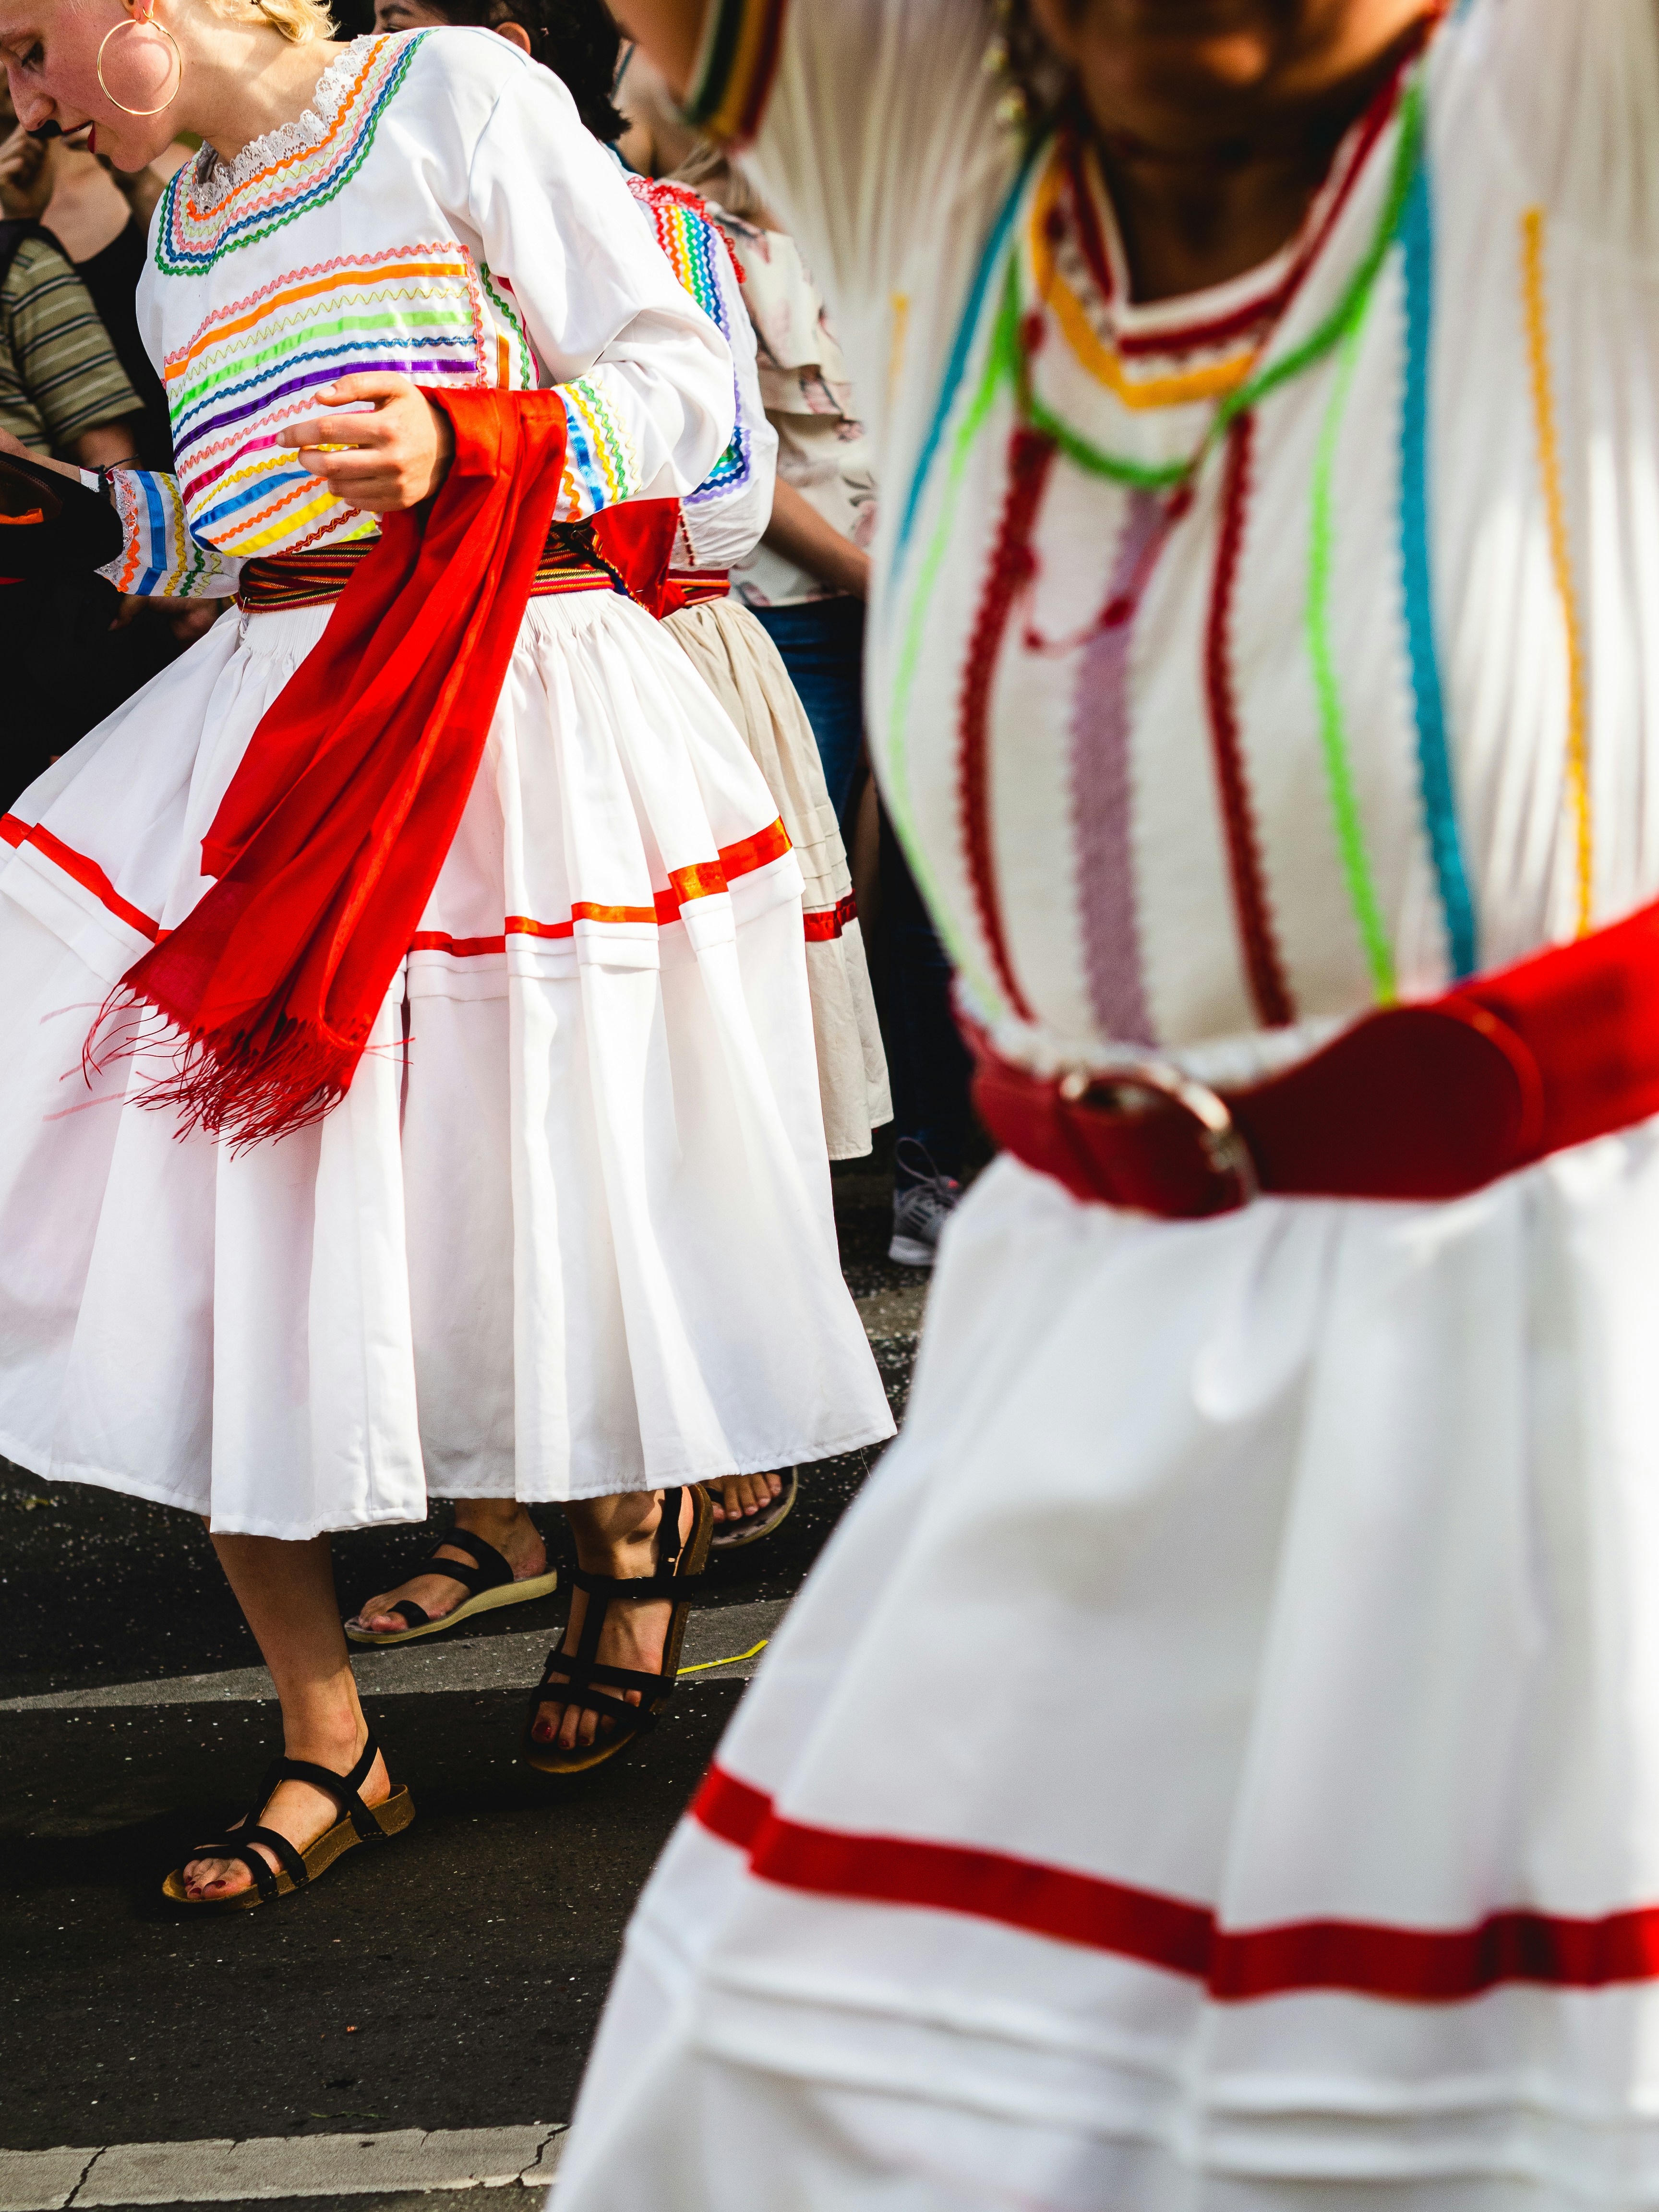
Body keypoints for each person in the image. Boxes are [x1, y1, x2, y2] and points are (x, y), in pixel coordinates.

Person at [553, 0, 1659, 2204]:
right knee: (854, 2123)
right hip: (1071, 1370)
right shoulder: (942, 176)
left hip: (1555, 1367)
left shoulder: (1564, 113)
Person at [0, 0, 892, 1903]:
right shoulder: (170, 241)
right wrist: (89, 514)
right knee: (210, 1202)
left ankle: (623, 1530)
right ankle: (334, 1739)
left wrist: (466, 439)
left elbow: (689, 402)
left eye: (31, 41)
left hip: (520, 710)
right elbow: (235, 536)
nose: (31, 94)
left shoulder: (452, 96)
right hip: (279, 716)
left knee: (540, 1175)